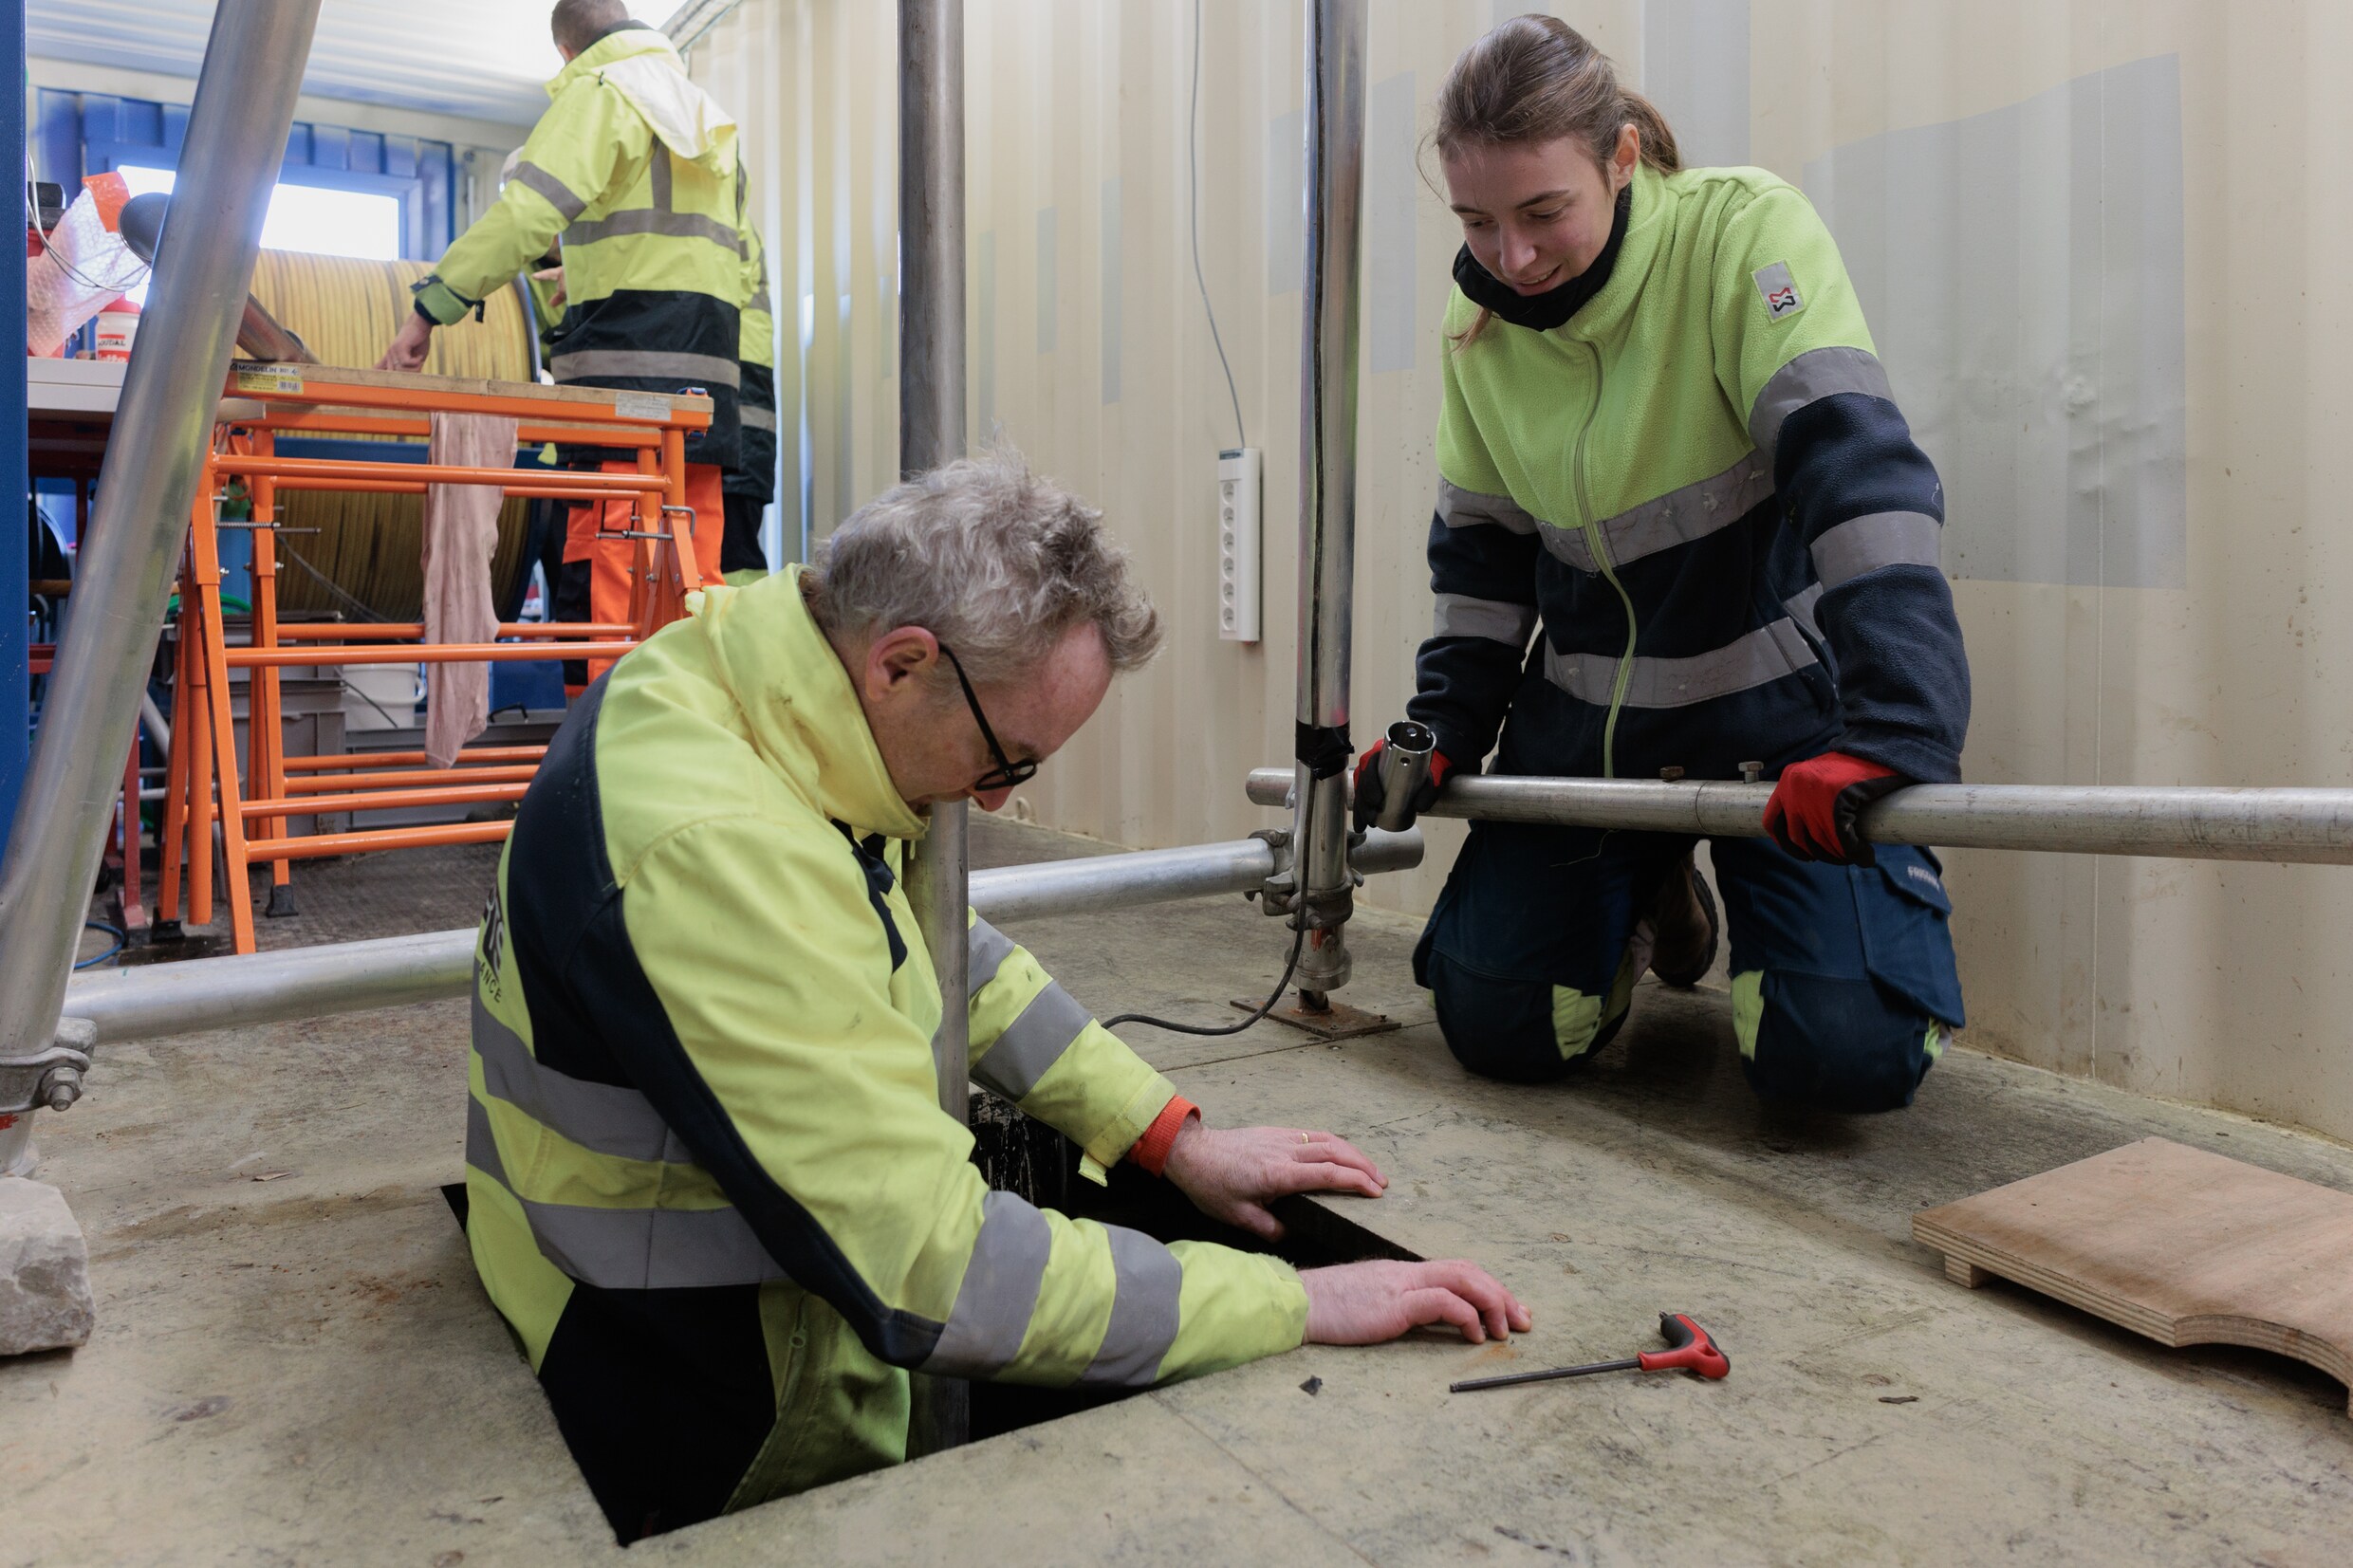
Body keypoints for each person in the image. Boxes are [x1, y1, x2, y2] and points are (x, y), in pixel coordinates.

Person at [466, 450, 1529, 1540]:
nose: (998, 796)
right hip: (689, 1402)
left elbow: (933, 948)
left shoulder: (755, 685)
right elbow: (939, 1275)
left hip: (642, 1295)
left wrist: (1166, 1138)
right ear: (901, 665)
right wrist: (1290, 1301)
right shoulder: (716, 850)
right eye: (1006, 763)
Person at [1354, 16, 1969, 1113]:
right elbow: (1480, 565)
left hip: (1778, 729)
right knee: (1500, 1027)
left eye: (1544, 212)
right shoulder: (1477, 323)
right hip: (1586, 733)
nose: (1513, 257)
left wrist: (1894, 733)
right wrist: (1425, 735)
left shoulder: (1741, 234)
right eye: (1477, 222)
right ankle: (1648, 886)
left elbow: (1857, 475)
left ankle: (1712, 890)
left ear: (1622, 155)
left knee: (1839, 1060)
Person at [376, 0, 746, 691]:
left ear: (568, 56)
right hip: (707, 394)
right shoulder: (706, 117)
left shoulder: (603, 95)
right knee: (691, 592)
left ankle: (601, 776)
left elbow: (526, 213)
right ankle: (691, 756)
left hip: (625, 387)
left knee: (612, 589)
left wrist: (429, 311)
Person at [720, 177, 776, 585]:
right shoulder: (729, 220)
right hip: (740, 410)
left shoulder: (715, 223)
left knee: (733, 555)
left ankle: (746, 645)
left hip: (736, 408)